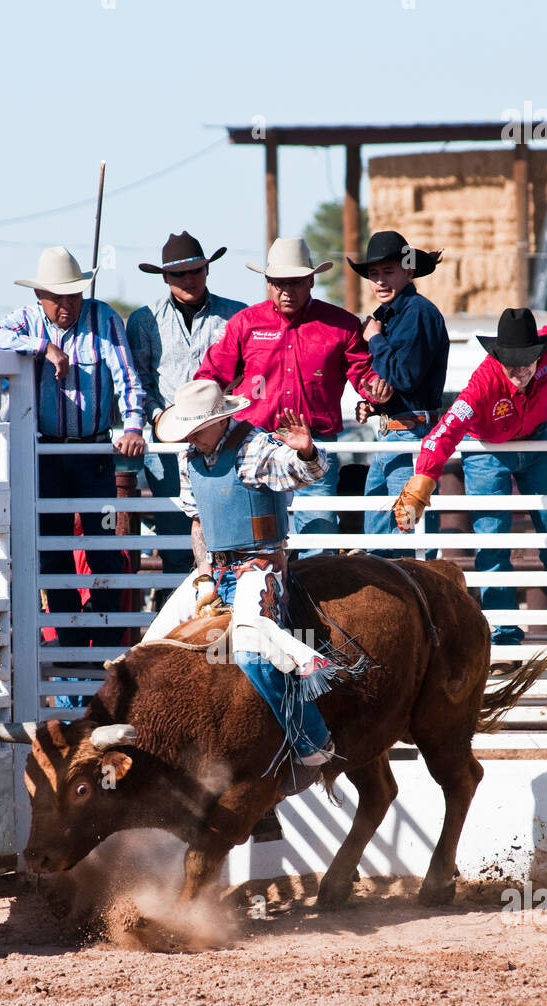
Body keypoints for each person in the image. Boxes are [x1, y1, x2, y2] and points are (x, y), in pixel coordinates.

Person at [393, 306, 547, 647]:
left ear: (539, 351)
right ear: (498, 357)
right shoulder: (481, 385)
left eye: (527, 359)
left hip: (535, 441)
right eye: (510, 361)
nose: (519, 369)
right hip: (487, 450)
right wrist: (424, 478)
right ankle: (504, 633)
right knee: (492, 538)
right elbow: (445, 430)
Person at [154, 379, 346, 790]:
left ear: (218, 421)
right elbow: (199, 520)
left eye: (195, 429)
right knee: (150, 648)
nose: (189, 438)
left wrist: (307, 450)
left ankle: (314, 743)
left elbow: (305, 472)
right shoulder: (192, 456)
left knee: (252, 655)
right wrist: (204, 574)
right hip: (217, 570)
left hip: (260, 568)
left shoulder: (254, 448)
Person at [0, 246, 145, 649]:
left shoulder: (103, 317)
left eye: (73, 295)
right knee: (52, 553)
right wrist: (43, 347)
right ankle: (71, 640)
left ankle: (103, 644)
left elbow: (128, 379)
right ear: (40, 297)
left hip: (95, 457)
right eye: (58, 297)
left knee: (104, 551)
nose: (67, 304)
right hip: (46, 455)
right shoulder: (27, 320)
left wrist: (134, 425)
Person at [195, 236, 392, 547]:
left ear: (311, 280)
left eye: (296, 282)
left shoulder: (340, 325)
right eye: (278, 283)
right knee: (257, 536)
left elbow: (363, 375)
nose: (286, 291)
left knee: (319, 532)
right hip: (256, 442)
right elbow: (212, 376)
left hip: (313, 442)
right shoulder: (245, 323)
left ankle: (317, 592)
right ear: (268, 283)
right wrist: (195, 414)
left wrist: (374, 392)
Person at [126, 231, 246, 585]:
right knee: (175, 539)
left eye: (196, 270)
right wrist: (158, 416)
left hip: (224, 438)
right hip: (169, 441)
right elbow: (140, 380)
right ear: (165, 278)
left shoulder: (236, 315)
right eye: (179, 274)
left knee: (228, 532)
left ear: (207, 271)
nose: (189, 279)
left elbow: (246, 374)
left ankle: (225, 608)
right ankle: (177, 612)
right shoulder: (144, 320)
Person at [348, 230, 449, 554]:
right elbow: (403, 381)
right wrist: (375, 405)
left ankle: (416, 601)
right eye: (374, 274)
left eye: (387, 272)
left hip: (410, 434)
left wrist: (375, 338)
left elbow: (404, 376)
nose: (379, 281)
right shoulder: (398, 314)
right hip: (398, 431)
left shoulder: (415, 313)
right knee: (386, 530)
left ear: (408, 271)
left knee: (406, 532)